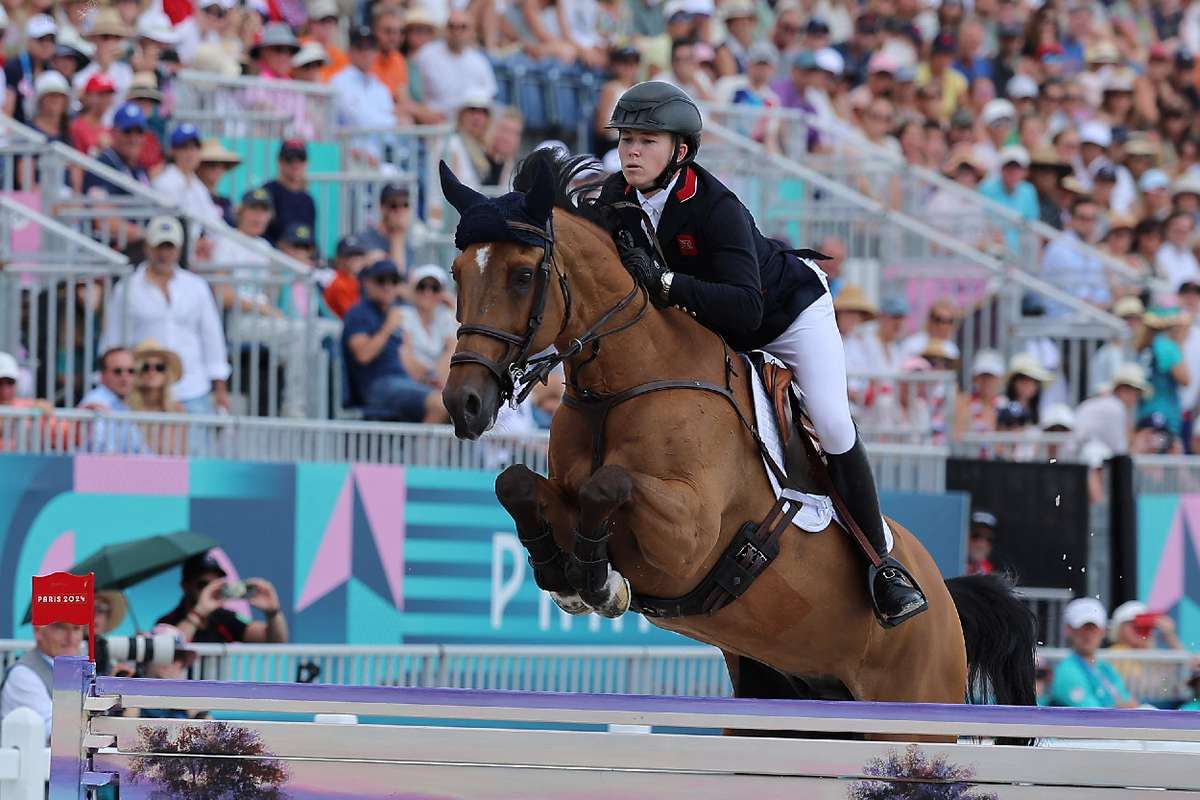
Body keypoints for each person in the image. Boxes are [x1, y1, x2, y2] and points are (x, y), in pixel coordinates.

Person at [597, 81, 926, 627]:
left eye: (646, 141)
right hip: (707, 327)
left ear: (680, 151)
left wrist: (668, 281)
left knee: (831, 422)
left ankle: (882, 565)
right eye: (626, 139)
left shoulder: (714, 207)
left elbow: (746, 310)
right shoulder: (617, 199)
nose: (631, 151)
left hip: (786, 318)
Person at [101, 216, 231, 414]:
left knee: (194, 445)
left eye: (169, 247)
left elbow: (212, 337)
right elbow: (113, 337)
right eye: (159, 247)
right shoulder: (126, 288)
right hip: (144, 391)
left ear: (179, 249)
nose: (164, 254)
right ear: (147, 247)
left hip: (193, 389)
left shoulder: (197, 286)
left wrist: (220, 388)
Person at [342, 259, 448, 423]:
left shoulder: (393, 313)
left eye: (394, 281)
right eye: (381, 280)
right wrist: (388, 328)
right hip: (376, 388)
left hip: (402, 383)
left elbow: (406, 360)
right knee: (441, 404)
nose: (388, 286)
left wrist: (429, 378)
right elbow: (363, 355)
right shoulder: (359, 313)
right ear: (367, 283)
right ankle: (419, 450)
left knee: (456, 403)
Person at [157, 551, 288, 644]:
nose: (208, 591)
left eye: (216, 585)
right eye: (203, 585)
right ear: (185, 586)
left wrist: (273, 613)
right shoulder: (167, 623)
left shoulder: (225, 619)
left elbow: (274, 640)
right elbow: (170, 649)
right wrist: (198, 613)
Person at [0, 621, 84, 741]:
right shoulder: (23, 675)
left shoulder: (77, 669)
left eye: (76, 628)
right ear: (38, 631)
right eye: (60, 628)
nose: (71, 638)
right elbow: (56, 735)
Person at [1048, 598, 1137, 708]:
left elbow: (1129, 703)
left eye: (1093, 628)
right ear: (1069, 630)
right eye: (1082, 628)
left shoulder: (1105, 667)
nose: (1088, 635)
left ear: (1103, 631)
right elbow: (1093, 716)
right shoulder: (1067, 671)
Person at [399, 264, 457, 390]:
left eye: (435, 288)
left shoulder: (444, 316)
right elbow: (405, 356)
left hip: (438, 383)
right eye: (422, 286)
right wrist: (432, 376)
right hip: (413, 381)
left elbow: (454, 347)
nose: (428, 292)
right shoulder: (404, 315)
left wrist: (453, 306)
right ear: (414, 290)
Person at [1076, 362, 1152, 455]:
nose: (1135, 399)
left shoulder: (1107, 403)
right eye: (1136, 393)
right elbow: (1120, 451)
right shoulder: (1115, 408)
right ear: (1123, 389)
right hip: (1082, 459)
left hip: (1079, 456)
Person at [78, 346, 145, 453]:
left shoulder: (122, 405)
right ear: (102, 376)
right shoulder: (96, 401)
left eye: (131, 371)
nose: (125, 377)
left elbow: (139, 449)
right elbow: (102, 451)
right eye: (118, 371)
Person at [262, 139, 317, 248]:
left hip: (300, 261)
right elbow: (260, 233)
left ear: (306, 163)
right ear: (280, 161)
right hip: (272, 258)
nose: (295, 164)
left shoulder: (308, 200)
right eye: (289, 159)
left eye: (301, 158)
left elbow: (311, 238)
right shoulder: (267, 192)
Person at [323, 234, 368, 319]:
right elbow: (353, 318)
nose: (355, 259)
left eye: (358, 254)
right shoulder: (338, 283)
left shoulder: (359, 280)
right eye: (349, 255)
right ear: (338, 258)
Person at [966, 509, 996, 575]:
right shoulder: (950, 566)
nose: (981, 545)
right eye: (976, 536)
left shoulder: (990, 572)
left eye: (989, 539)